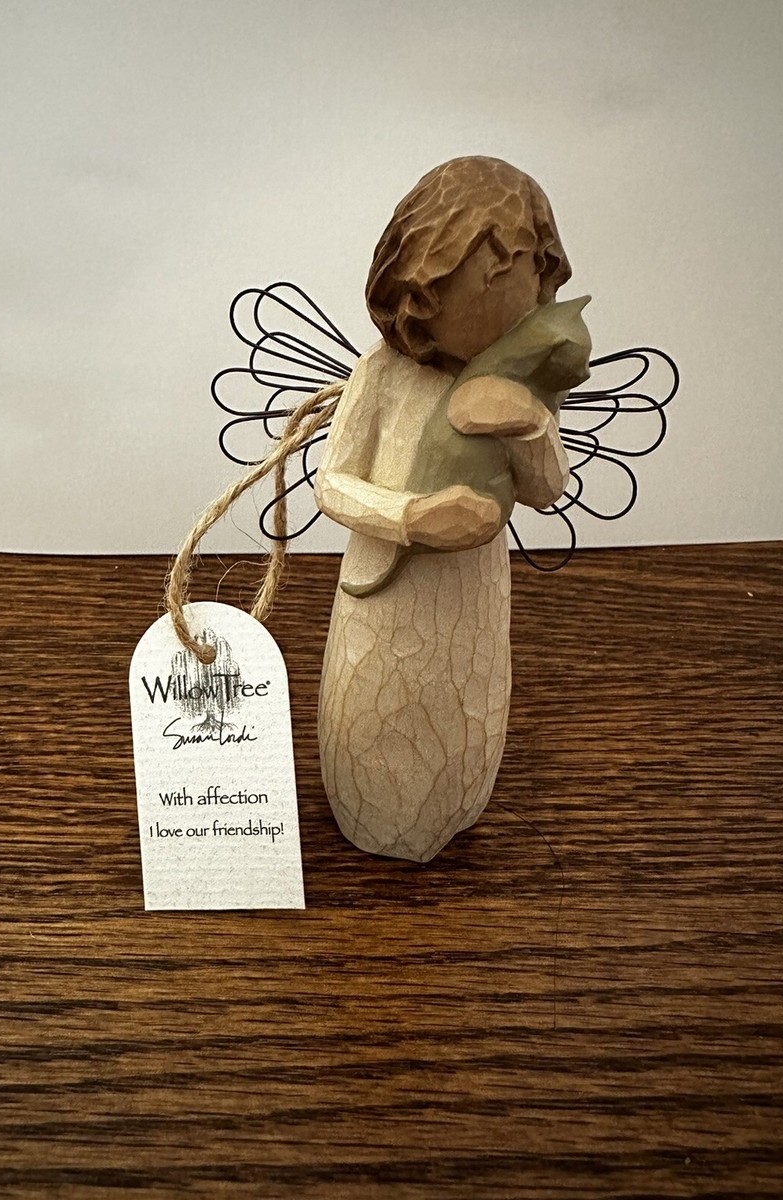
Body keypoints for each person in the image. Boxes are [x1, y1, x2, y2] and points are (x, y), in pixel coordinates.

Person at [315, 156, 590, 862]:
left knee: (462, 719)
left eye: (521, 273)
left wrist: (528, 426)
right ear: (415, 289)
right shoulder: (382, 373)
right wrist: (411, 518)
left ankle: (461, 799)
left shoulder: (519, 380)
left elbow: (547, 490)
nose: (504, 297)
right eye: (481, 280)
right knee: (381, 732)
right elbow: (332, 483)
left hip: (473, 609)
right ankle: (372, 809)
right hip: (383, 613)